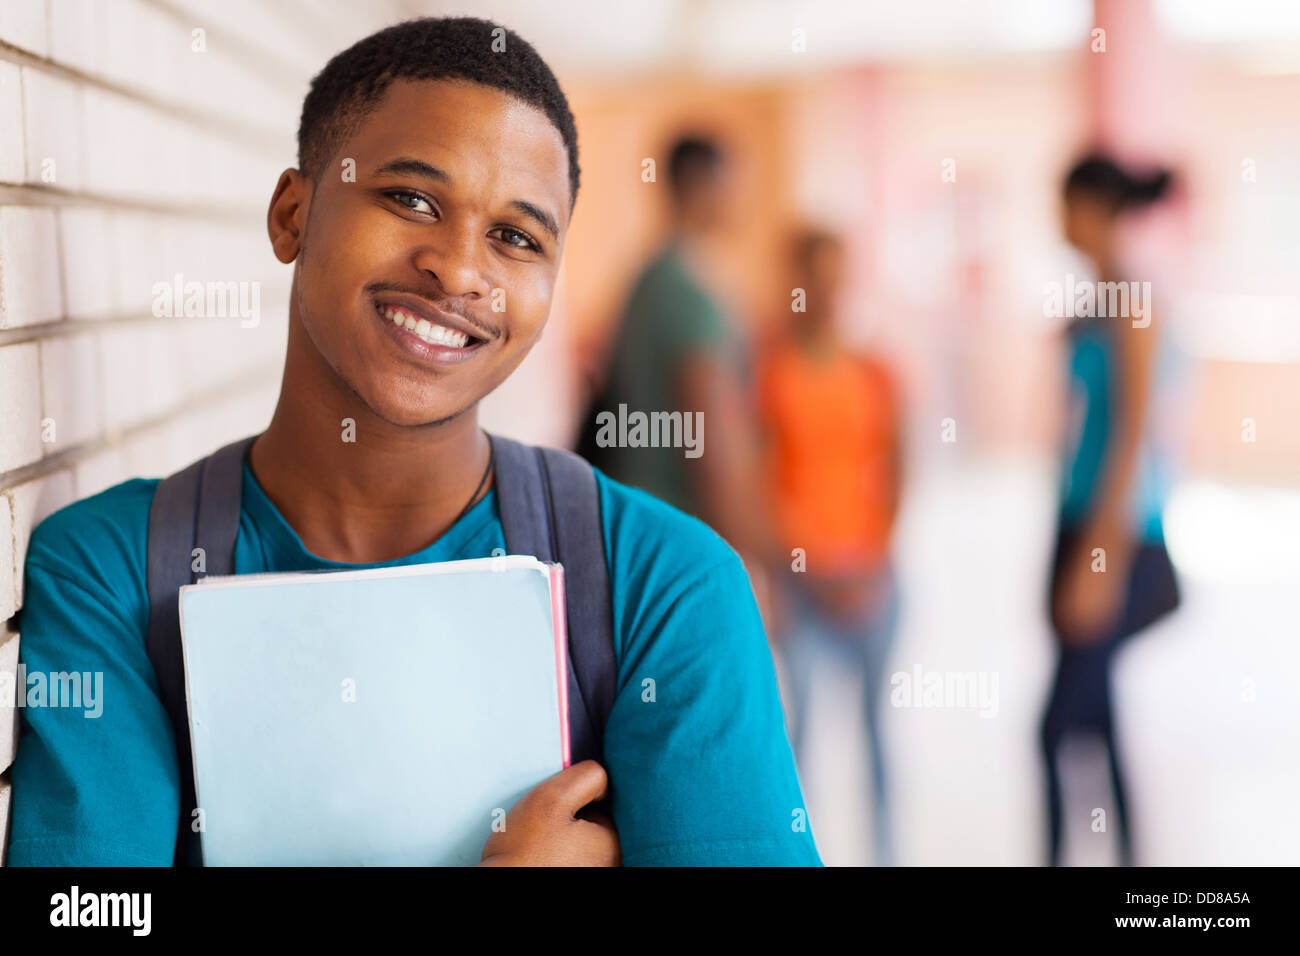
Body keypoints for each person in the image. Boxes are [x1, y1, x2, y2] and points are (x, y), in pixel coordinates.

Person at [6, 17, 820, 867]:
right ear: (292, 214)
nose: (460, 268)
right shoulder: (112, 573)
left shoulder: (665, 588)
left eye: (516, 237)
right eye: (412, 199)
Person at [1042, 153, 1181, 867]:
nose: (1057, 219)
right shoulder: (1098, 297)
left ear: (1094, 211)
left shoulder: (1133, 300)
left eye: (1065, 205)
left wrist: (1100, 562)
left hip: (1112, 534)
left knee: (1054, 729)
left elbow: (1132, 436)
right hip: (1075, 521)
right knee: (1096, 717)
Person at [757, 227, 903, 865]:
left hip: (871, 579)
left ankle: (886, 854)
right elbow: (757, 483)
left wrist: (873, 565)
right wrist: (793, 575)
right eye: (812, 274)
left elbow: (899, 469)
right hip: (801, 582)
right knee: (802, 737)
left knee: (878, 734)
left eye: (837, 274)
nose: (825, 289)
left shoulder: (875, 370)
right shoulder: (767, 371)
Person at [584, 134, 774, 564]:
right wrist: (750, 559)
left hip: (644, 525)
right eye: (734, 182)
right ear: (699, 183)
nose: (741, 197)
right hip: (689, 533)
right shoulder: (686, 294)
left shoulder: (646, 278)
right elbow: (712, 447)